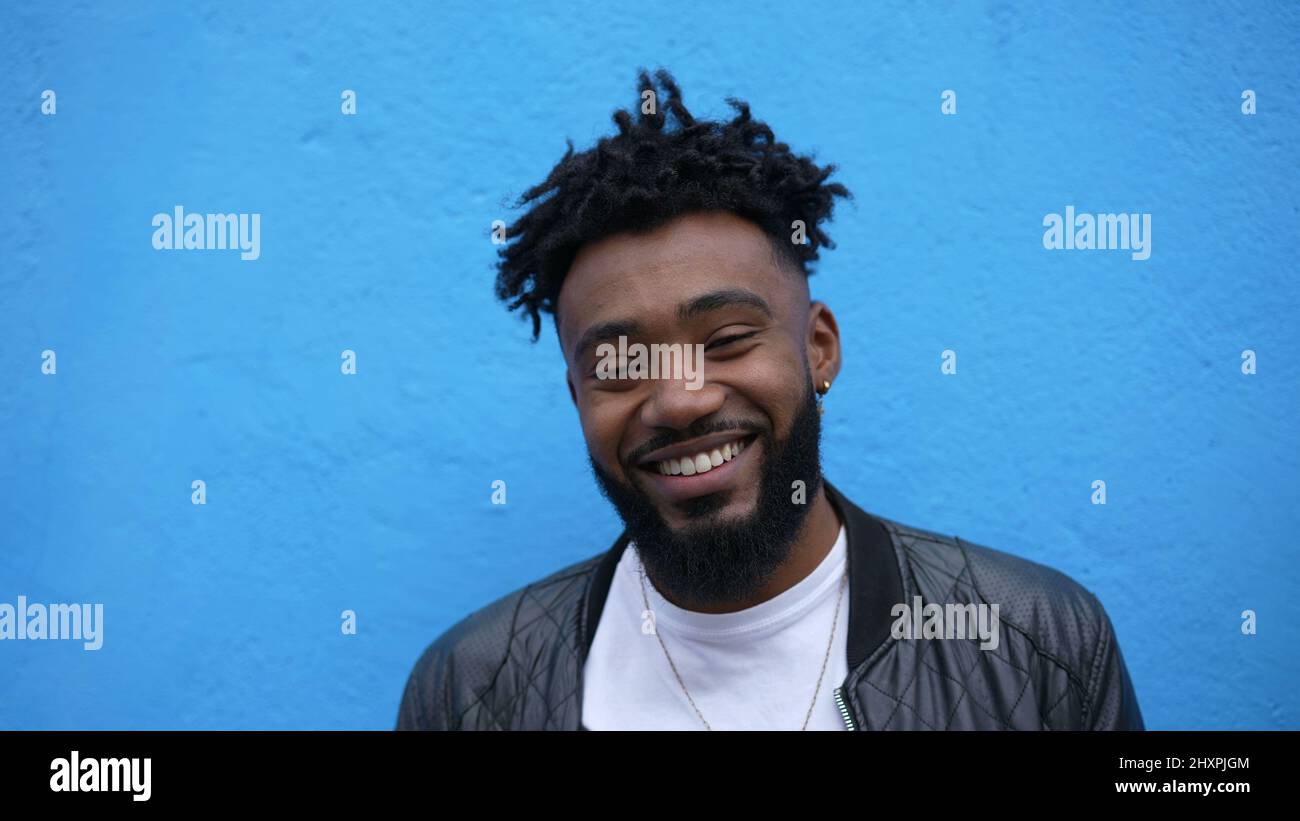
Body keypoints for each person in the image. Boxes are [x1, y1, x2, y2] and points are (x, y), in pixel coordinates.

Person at [396, 69, 1144, 731]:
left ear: (818, 348)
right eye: (621, 362)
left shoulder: (1039, 643)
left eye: (725, 339)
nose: (681, 401)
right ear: (577, 395)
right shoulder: (467, 692)